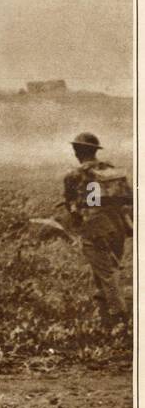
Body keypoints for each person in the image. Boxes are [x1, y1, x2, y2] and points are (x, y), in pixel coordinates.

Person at [62, 132, 132, 328]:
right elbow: (129, 199)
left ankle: (120, 319)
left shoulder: (75, 175)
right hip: (117, 225)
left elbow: (71, 205)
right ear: (95, 151)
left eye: (76, 149)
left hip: (94, 226)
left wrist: (77, 220)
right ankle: (105, 318)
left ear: (78, 151)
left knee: (106, 273)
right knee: (107, 269)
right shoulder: (112, 171)